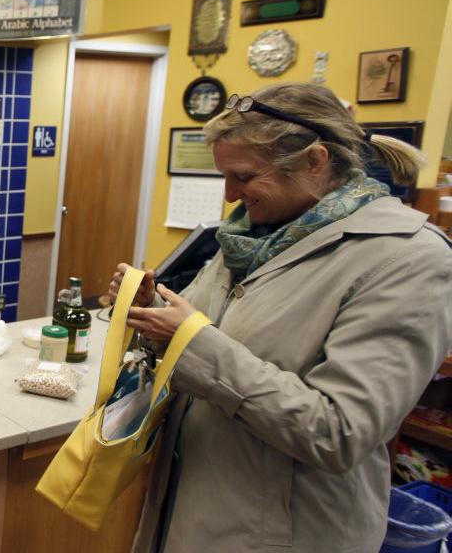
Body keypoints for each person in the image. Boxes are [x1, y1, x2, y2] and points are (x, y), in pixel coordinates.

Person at [107, 82, 452, 553]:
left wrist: (191, 342)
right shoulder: (250, 239)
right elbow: (200, 343)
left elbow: (339, 432)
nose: (230, 194)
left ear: (315, 161)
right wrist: (150, 318)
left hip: (282, 534)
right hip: (189, 510)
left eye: (244, 176)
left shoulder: (408, 260)